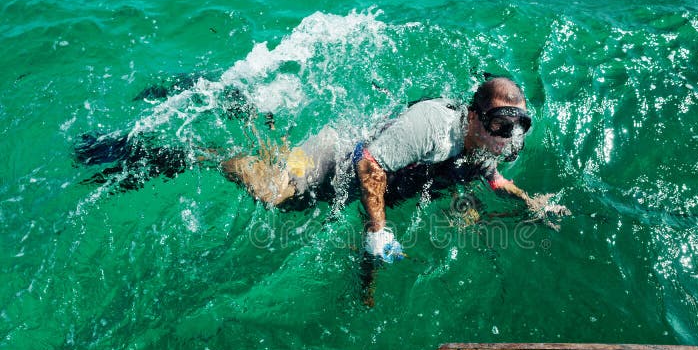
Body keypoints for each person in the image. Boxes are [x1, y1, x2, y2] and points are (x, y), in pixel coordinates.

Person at [221, 77, 570, 262]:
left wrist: (529, 201)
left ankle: (262, 122)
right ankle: (212, 155)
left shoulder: (490, 141)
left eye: (519, 125)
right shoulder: (433, 127)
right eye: (500, 125)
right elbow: (368, 161)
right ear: (476, 116)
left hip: (365, 177)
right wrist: (378, 231)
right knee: (276, 194)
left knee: (281, 168)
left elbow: (493, 178)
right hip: (335, 157)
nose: (508, 137)